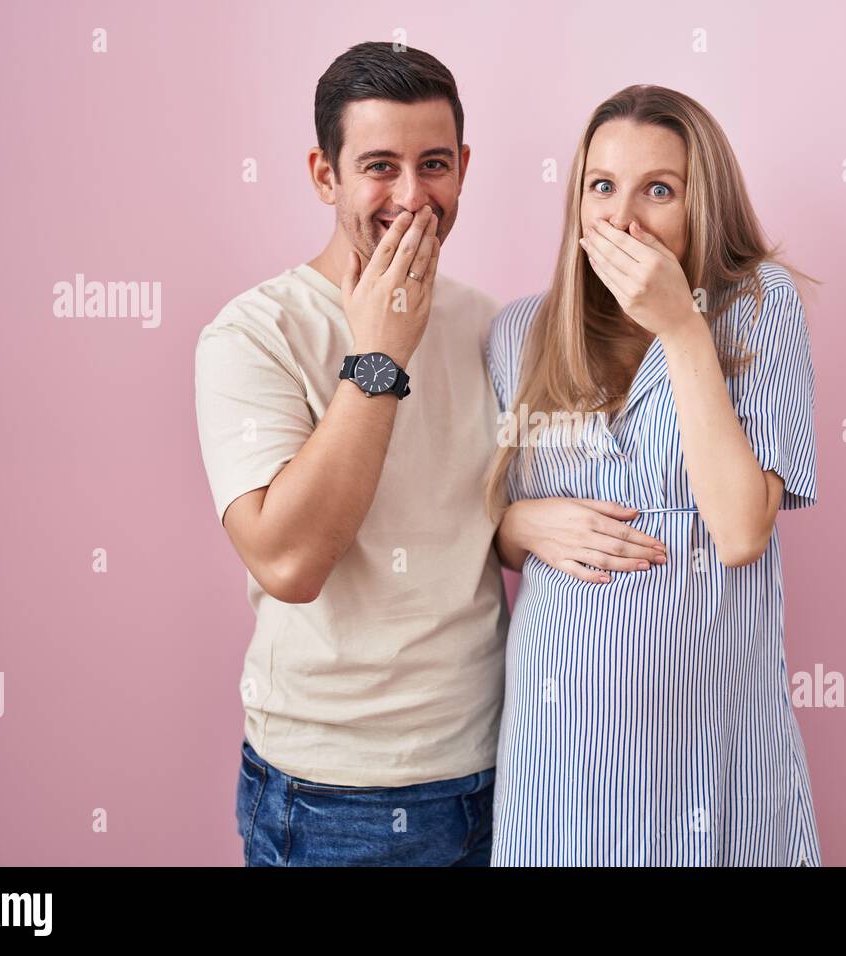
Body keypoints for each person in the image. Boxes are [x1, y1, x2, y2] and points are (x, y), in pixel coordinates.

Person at [484, 84, 823, 866]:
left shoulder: (760, 307)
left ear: (702, 204)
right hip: (558, 756)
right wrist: (515, 525)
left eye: (658, 190)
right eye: (601, 186)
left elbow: (740, 530)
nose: (623, 218)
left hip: (711, 754)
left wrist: (680, 325)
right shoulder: (517, 334)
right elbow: (482, 522)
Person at [193, 41, 507, 866]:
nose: (411, 198)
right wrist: (380, 357)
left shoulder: (493, 327)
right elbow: (290, 563)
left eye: (434, 163)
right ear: (324, 175)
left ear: (464, 167)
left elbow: (497, 521)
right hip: (334, 799)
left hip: (504, 770)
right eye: (379, 166)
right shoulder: (253, 333)